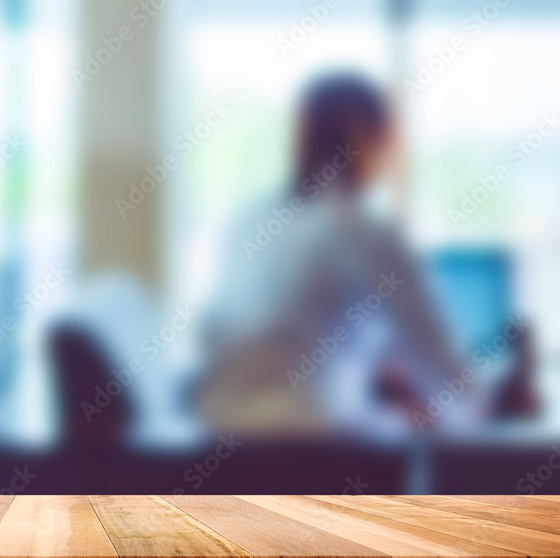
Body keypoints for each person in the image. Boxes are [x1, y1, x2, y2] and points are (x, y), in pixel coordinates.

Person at [194, 72, 464, 438]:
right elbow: (446, 374)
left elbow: (273, 332)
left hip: (216, 431)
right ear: (373, 138)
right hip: (308, 442)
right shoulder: (359, 228)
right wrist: (492, 405)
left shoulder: (247, 218)